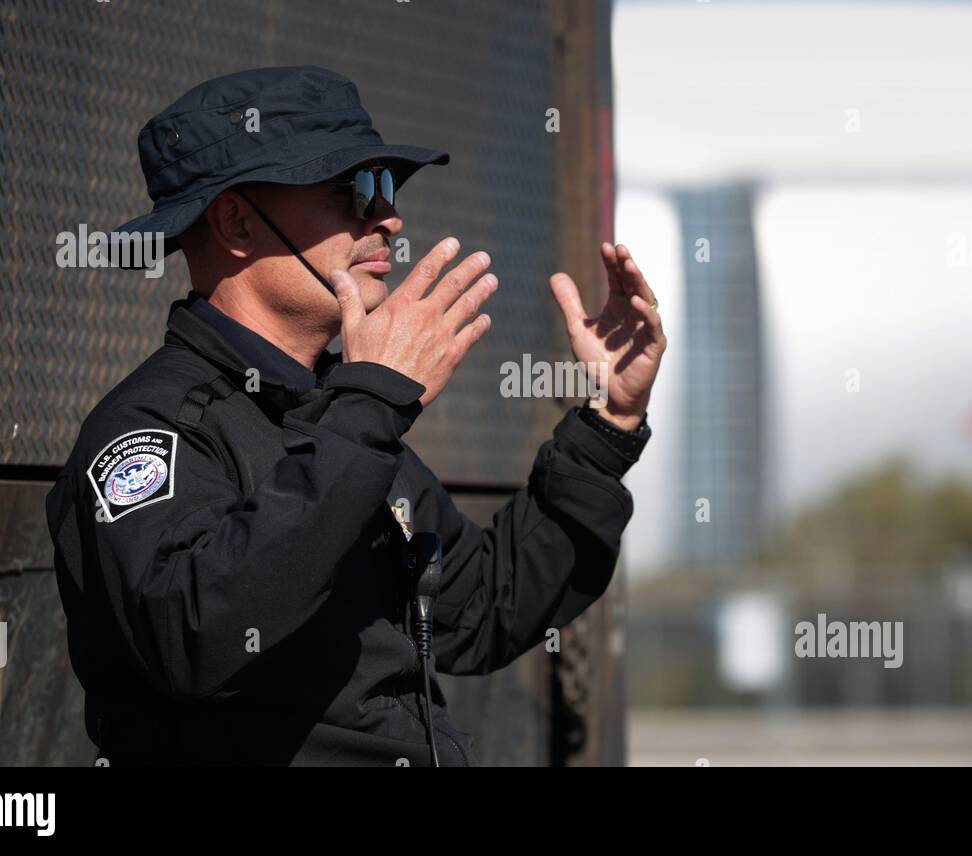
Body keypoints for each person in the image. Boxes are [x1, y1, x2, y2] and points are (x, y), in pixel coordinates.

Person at [45, 66, 666, 766]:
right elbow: (192, 635)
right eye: (352, 192)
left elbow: (482, 608)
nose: (388, 217)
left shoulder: (341, 413)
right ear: (237, 220)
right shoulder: (152, 428)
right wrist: (368, 409)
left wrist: (606, 427)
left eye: (387, 187)